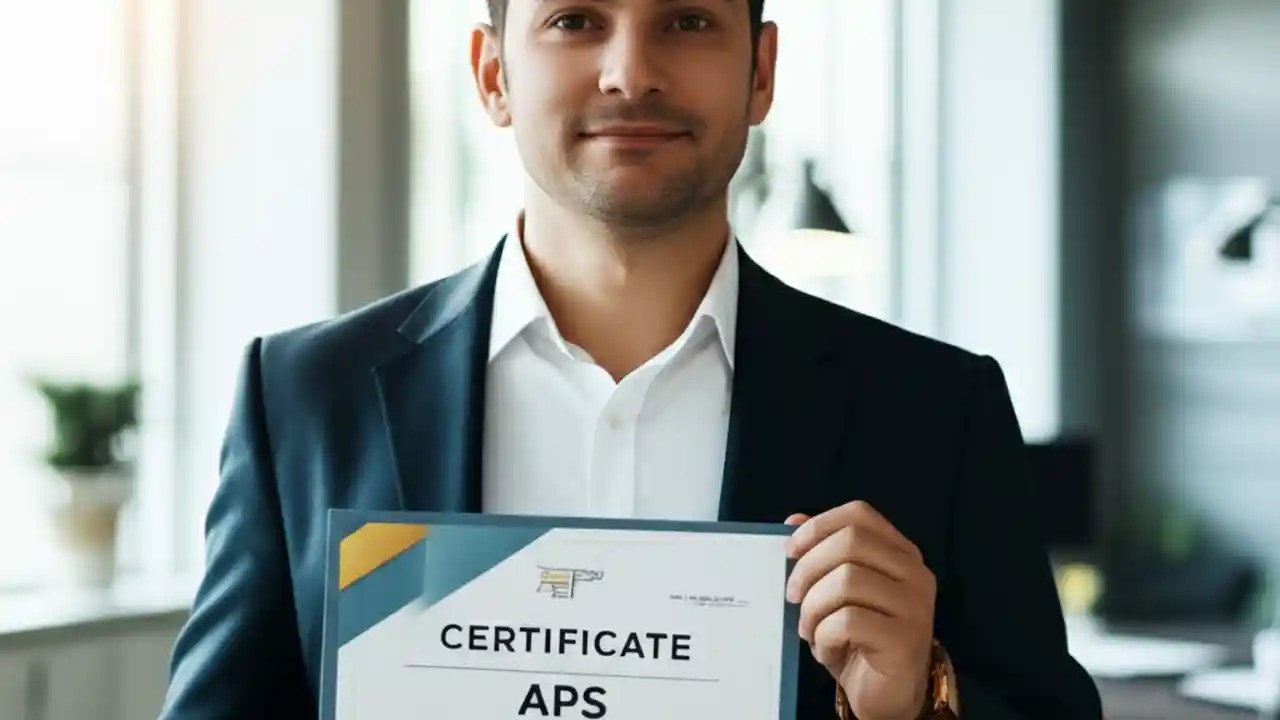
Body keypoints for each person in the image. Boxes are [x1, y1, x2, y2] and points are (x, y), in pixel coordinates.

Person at [161, 0, 1102, 717]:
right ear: (492, 75)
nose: (630, 73)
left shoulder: (938, 409)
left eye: (686, 21)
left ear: (760, 71)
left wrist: (918, 700)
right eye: (576, 20)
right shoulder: (302, 399)